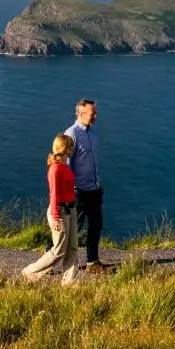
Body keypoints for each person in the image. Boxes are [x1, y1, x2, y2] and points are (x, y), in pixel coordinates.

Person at [21, 134, 80, 283]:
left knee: (73, 247)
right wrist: (54, 216)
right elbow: (53, 193)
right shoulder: (55, 169)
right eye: (71, 146)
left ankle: (69, 283)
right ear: (65, 149)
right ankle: (30, 271)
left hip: (71, 210)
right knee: (59, 250)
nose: (73, 149)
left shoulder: (65, 167)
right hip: (59, 212)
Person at [64, 98, 109, 271]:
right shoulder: (71, 135)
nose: (95, 116)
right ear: (81, 114)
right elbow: (67, 165)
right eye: (93, 113)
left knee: (96, 225)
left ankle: (93, 262)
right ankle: (49, 257)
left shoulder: (91, 134)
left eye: (95, 113)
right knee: (72, 229)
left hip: (94, 189)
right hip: (79, 192)